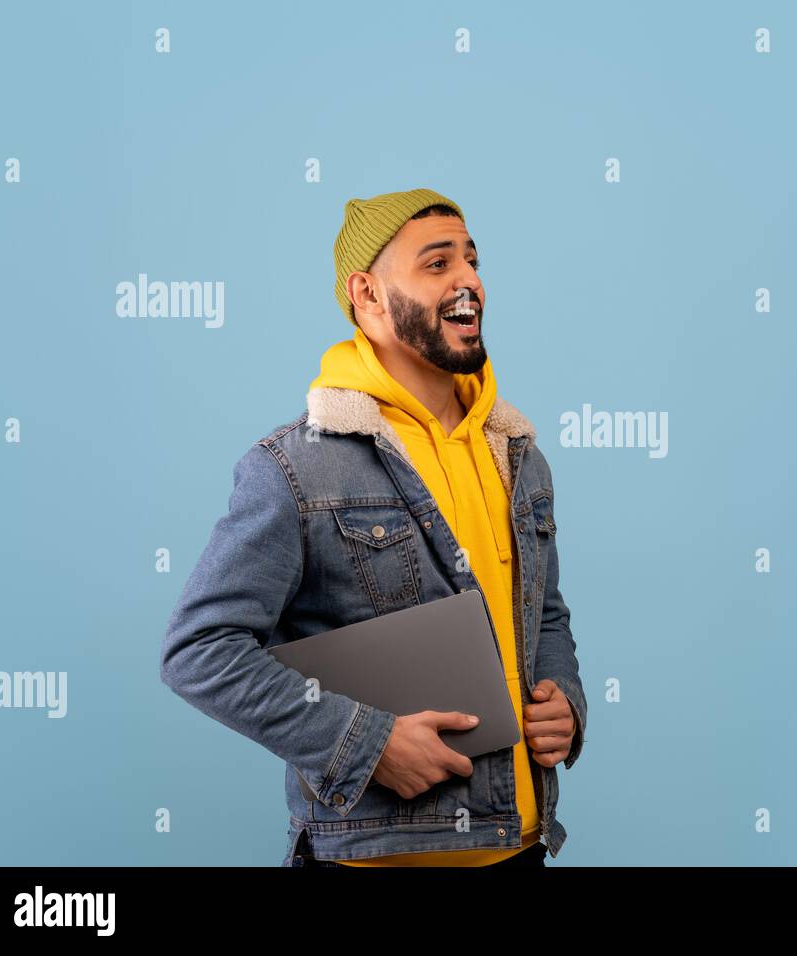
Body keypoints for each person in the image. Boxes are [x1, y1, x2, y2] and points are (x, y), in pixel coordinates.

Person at [159, 188, 587, 867]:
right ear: (367, 295)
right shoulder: (297, 468)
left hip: (523, 848)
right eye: (437, 264)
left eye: (471, 260)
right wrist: (365, 742)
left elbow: (547, 618)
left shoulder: (518, 455)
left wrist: (564, 700)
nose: (469, 279)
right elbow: (199, 650)